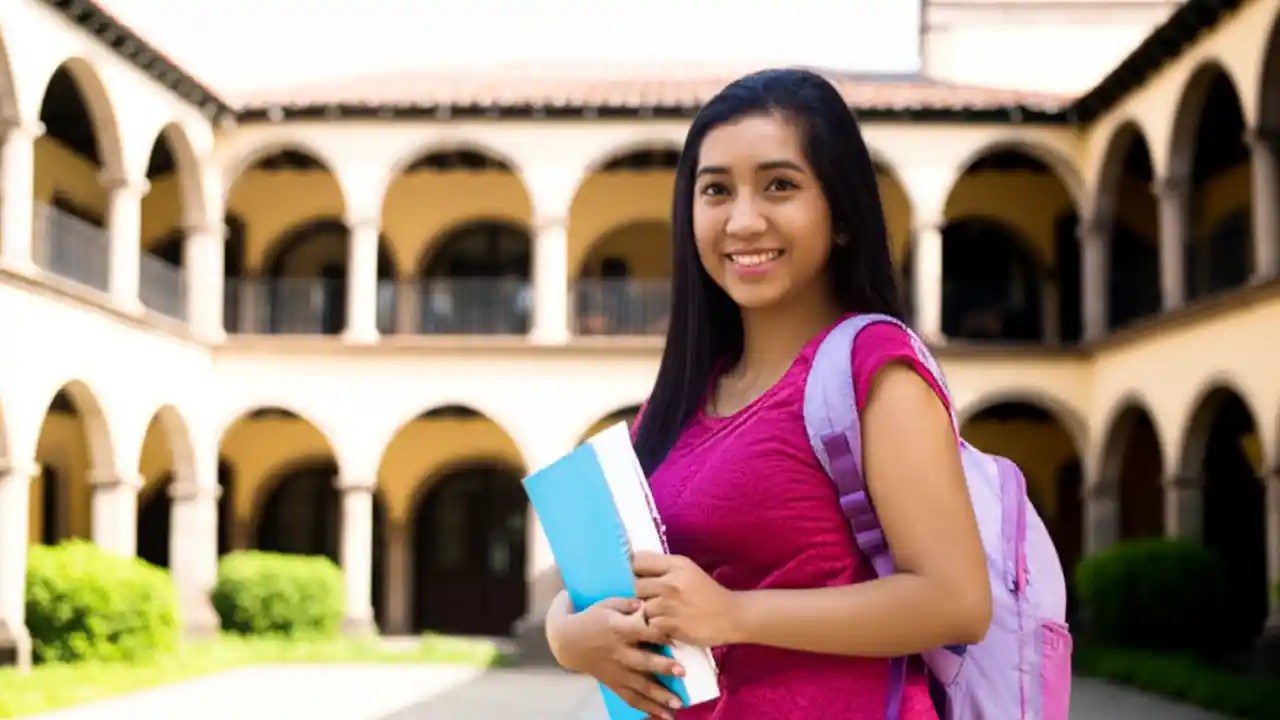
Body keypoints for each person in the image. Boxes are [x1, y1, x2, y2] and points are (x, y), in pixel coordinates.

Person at [543, 67, 992, 720]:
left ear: (839, 215)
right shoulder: (679, 401)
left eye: (780, 186)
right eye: (716, 190)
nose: (743, 220)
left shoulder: (874, 369)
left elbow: (955, 601)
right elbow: (622, 573)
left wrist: (735, 614)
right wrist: (566, 632)